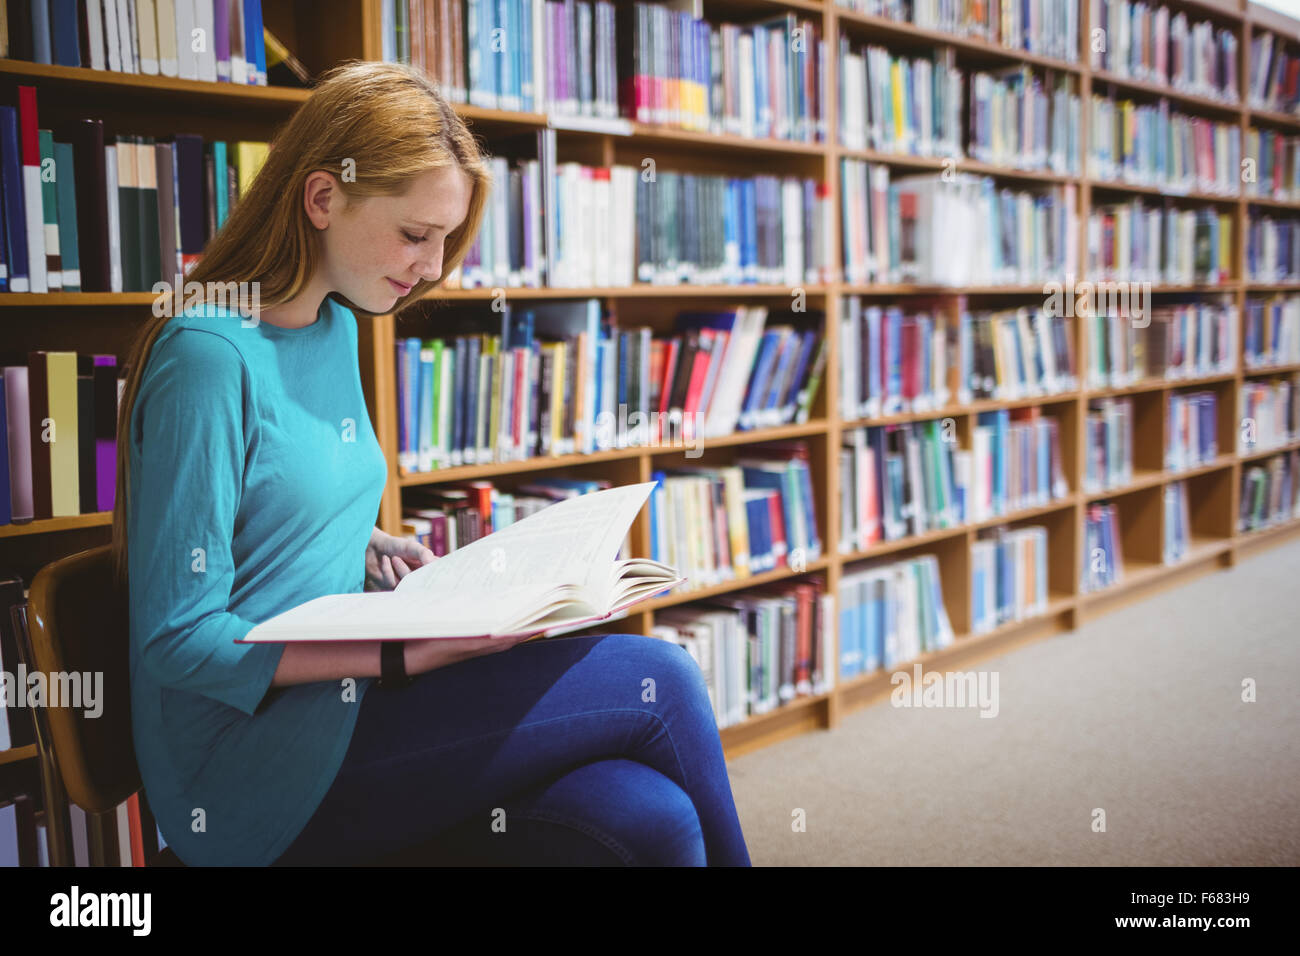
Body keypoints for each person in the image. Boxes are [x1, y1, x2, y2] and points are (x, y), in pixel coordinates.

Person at [111, 60, 752, 867]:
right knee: (663, 678)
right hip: (250, 766)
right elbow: (180, 640)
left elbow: (278, 494)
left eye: (445, 238)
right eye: (416, 234)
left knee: (649, 815)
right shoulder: (207, 358)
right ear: (322, 198)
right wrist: (404, 653)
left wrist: (367, 545)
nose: (432, 265)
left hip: (352, 701)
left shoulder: (335, 324)